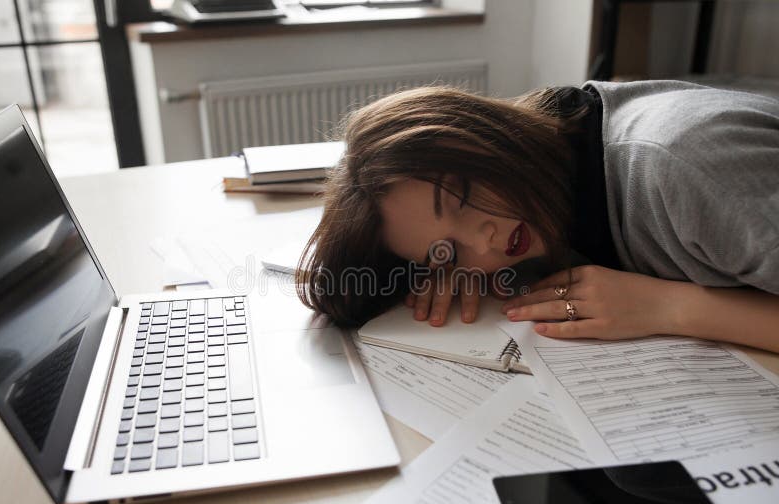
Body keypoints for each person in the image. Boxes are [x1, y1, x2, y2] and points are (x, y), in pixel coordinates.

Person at [295, 81, 779, 353]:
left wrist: (669, 308)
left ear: (483, 137)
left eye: (462, 200)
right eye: (447, 251)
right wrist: (461, 275)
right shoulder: (545, 180)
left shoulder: (684, 166)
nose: (484, 245)